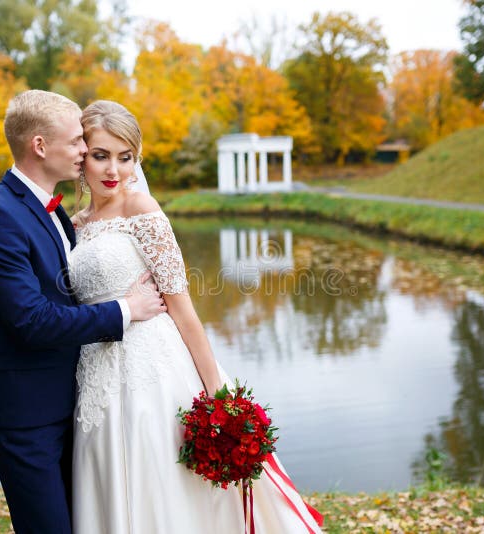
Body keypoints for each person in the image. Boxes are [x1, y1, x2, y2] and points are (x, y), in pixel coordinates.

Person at [69, 100, 324, 533]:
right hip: (95, 374)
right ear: (82, 157)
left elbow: (182, 306)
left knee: (164, 486)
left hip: (151, 370)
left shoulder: (142, 210)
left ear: (137, 159)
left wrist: (218, 393)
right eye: (101, 155)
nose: (114, 169)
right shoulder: (73, 224)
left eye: (125, 157)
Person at [0, 90, 166, 534]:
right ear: (39, 146)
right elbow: (32, 320)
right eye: (76, 142)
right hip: (26, 413)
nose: (82, 151)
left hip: (77, 400)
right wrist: (125, 309)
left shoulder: (52, 211)